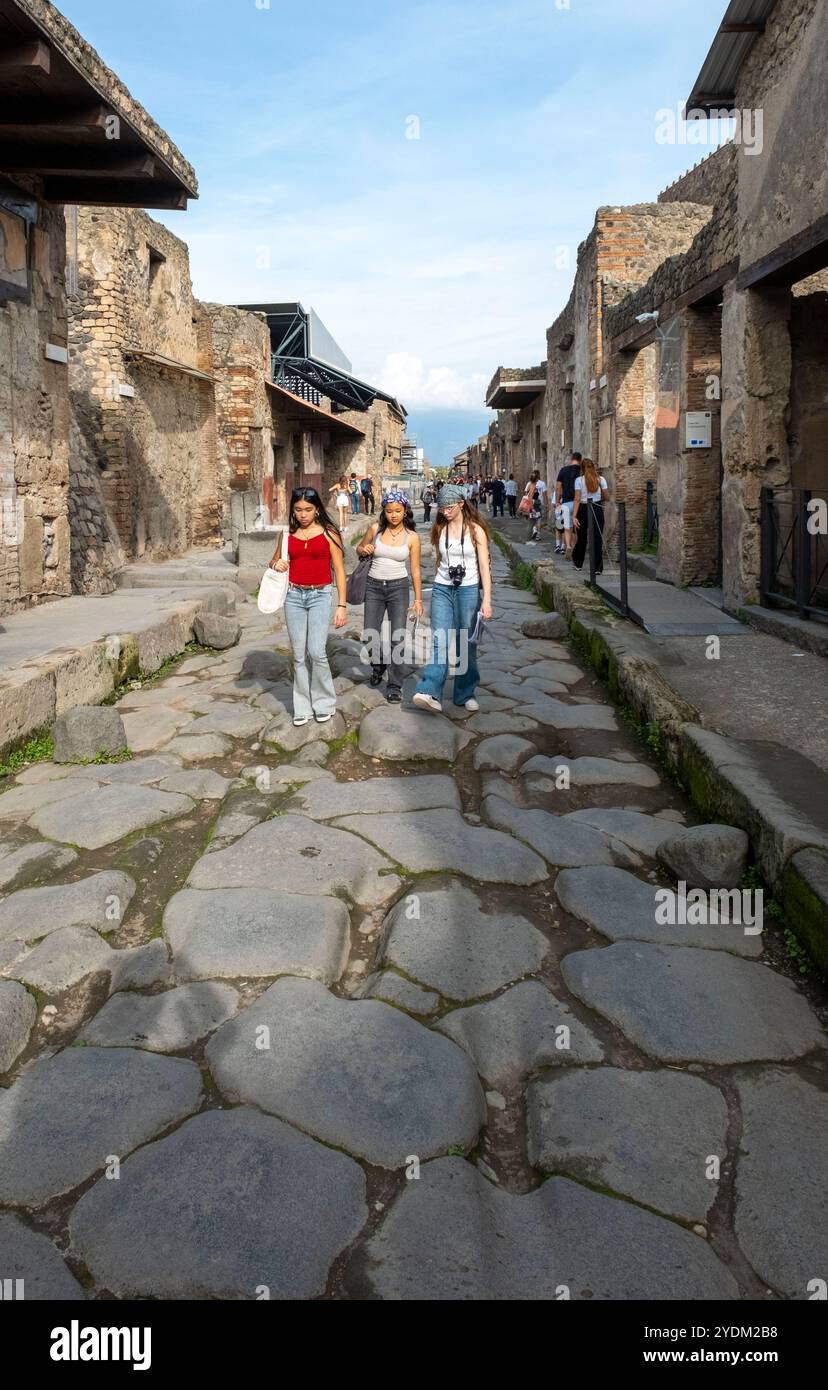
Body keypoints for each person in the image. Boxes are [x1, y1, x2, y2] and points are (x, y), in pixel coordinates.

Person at [413, 484, 493, 714]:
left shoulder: (476, 531)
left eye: (449, 508)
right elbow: (440, 560)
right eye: (442, 508)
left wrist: (486, 600)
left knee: (466, 643)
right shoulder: (440, 528)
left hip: (468, 590)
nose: (445, 512)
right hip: (442, 588)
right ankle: (430, 691)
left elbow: (485, 568)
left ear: (460, 504)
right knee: (440, 639)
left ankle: (465, 693)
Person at [273, 488, 348, 726]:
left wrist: (342, 605)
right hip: (293, 595)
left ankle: (324, 703)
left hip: (320, 595)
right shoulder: (286, 534)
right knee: (298, 655)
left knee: (316, 652)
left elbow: (339, 569)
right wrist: (277, 564)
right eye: (298, 510)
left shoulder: (329, 533)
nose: (303, 515)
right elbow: (273, 560)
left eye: (307, 510)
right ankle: (302, 707)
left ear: (317, 510)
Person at [356, 490, 423, 704]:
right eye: (389, 511)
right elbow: (358, 549)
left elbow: (415, 570)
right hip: (374, 587)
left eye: (398, 511)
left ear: (405, 511)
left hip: (398, 588)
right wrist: (364, 548)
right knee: (369, 634)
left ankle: (394, 685)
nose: (393, 515)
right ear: (384, 512)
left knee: (398, 638)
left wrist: (418, 599)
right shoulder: (375, 529)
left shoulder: (412, 537)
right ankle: (379, 663)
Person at [572, 457, 609, 573]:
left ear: (582, 468)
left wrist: (574, 516)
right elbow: (607, 497)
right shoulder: (601, 479)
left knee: (582, 538)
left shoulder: (578, 480)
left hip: (583, 509)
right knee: (597, 538)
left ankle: (578, 563)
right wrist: (598, 498)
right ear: (593, 467)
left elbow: (577, 499)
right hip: (597, 508)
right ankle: (597, 568)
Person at [556, 451, 582, 557]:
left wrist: (558, 501)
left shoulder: (563, 470)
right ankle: (575, 549)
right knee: (577, 528)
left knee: (567, 527)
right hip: (579, 503)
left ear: (572, 459)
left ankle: (568, 547)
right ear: (580, 460)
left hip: (566, 503)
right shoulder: (581, 471)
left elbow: (558, 488)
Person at [524, 471, 543, 544]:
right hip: (534, 506)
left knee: (532, 522)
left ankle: (529, 539)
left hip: (533, 506)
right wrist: (532, 508)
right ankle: (528, 540)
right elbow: (530, 498)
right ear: (536, 479)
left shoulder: (530, 485)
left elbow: (527, 495)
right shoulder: (532, 486)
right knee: (531, 523)